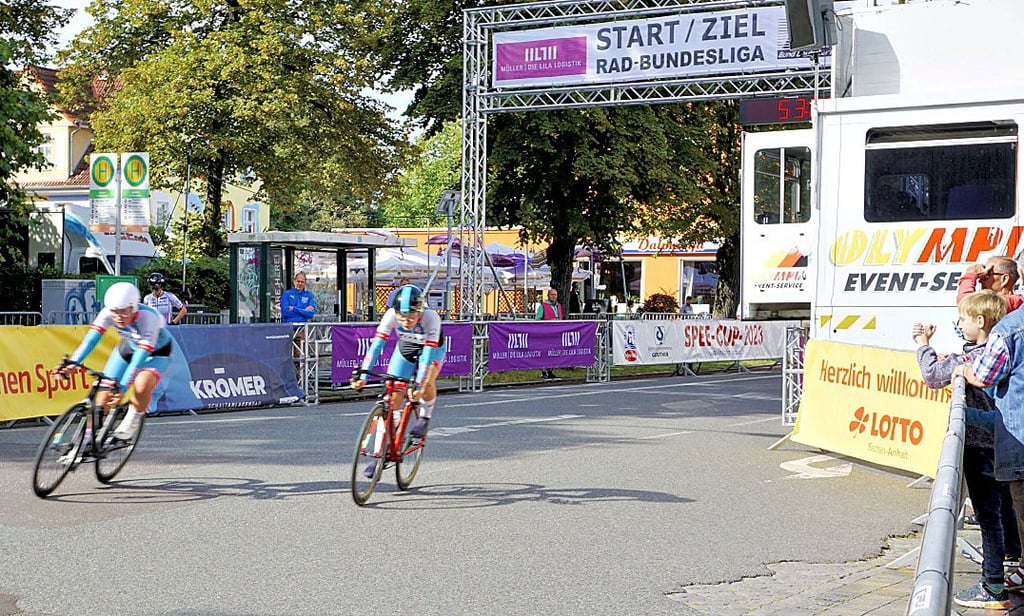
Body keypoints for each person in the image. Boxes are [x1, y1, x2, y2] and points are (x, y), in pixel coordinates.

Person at [915, 290, 1017, 609]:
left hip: (979, 447)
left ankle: (993, 584)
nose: (959, 324)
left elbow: (933, 375)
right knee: (1007, 510)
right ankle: (1013, 561)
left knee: (989, 518)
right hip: (1004, 444)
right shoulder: (1004, 350)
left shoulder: (973, 360)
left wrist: (922, 345)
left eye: (962, 319)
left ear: (979, 321)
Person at [956, 253, 1024, 603]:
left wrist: (961, 371)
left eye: (990, 273)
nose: (984, 277)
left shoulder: (1009, 324)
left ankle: (994, 584)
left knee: (1004, 511)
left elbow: (982, 377)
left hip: (1014, 439)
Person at [53, 282, 174, 447]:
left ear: (133, 308)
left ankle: (133, 419)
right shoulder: (108, 312)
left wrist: (122, 388)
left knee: (141, 384)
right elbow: (90, 341)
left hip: (155, 354)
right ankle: (88, 440)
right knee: (102, 395)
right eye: (115, 312)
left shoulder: (149, 318)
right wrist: (72, 363)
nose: (118, 317)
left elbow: (139, 358)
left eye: (124, 312)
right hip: (128, 348)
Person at [351, 285, 445, 477]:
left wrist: (419, 384)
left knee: (427, 382)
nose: (405, 321)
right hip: (406, 348)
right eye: (401, 317)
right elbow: (376, 346)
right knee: (392, 396)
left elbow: (427, 357)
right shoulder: (390, 316)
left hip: (431, 349)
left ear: (420, 311)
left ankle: (425, 416)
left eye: (411, 317)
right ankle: (379, 455)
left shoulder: (431, 318)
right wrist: (362, 376)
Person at [959, 256, 1023, 310]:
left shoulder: (1015, 302)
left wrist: (970, 274)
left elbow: (966, 303)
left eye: (987, 275)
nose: (980, 280)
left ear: (1004, 279)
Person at [281, 272, 316, 357]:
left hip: (301, 330)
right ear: (294, 281)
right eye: (298, 281)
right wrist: (304, 310)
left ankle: (298, 371)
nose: (300, 283)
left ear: (305, 282)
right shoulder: (287, 294)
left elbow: (311, 314)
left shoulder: (309, 296)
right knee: (286, 355)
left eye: (302, 282)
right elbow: (285, 312)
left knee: (299, 356)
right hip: (288, 328)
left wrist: (294, 309)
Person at [535, 287, 562, 380]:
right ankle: (543, 371)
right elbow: (537, 319)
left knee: (553, 352)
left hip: (556, 332)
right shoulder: (543, 306)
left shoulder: (558, 306)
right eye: (552, 295)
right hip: (545, 332)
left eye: (555, 295)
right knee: (544, 352)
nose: (554, 297)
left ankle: (550, 371)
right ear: (548, 295)